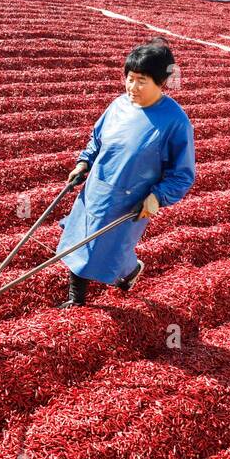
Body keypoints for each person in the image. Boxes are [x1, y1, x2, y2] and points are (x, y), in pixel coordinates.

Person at [56, 37, 196, 308]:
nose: (132, 87)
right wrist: (83, 163)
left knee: (110, 249)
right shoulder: (119, 106)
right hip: (97, 188)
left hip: (130, 200)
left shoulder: (175, 121)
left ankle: (127, 271)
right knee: (81, 240)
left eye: (141, 80)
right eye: (129, 78)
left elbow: (182, 173)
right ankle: (77, 299)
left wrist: (158, 197)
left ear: (161, 82)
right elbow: (97, 140)